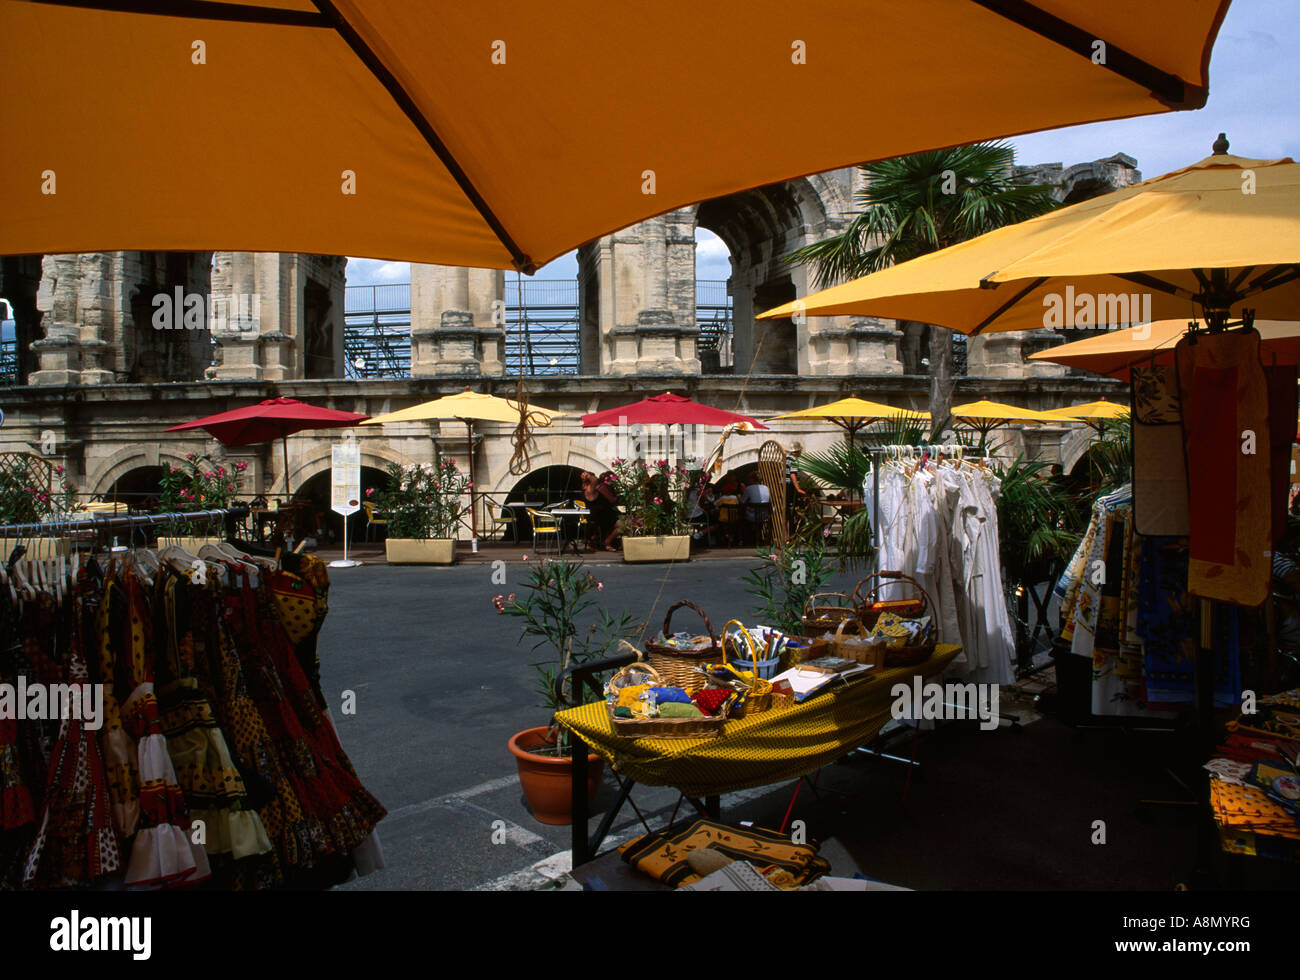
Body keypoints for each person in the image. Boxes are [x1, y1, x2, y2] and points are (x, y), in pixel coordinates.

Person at [581, 470, 620, 551]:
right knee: (624, 525)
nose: (597, 479)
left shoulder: (596, 489)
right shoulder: (589, 491)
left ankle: (611, 542)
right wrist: (587, 475)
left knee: (625, 522)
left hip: (606, 516)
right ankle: (607, 542)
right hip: (601, 518)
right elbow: (594, 480)